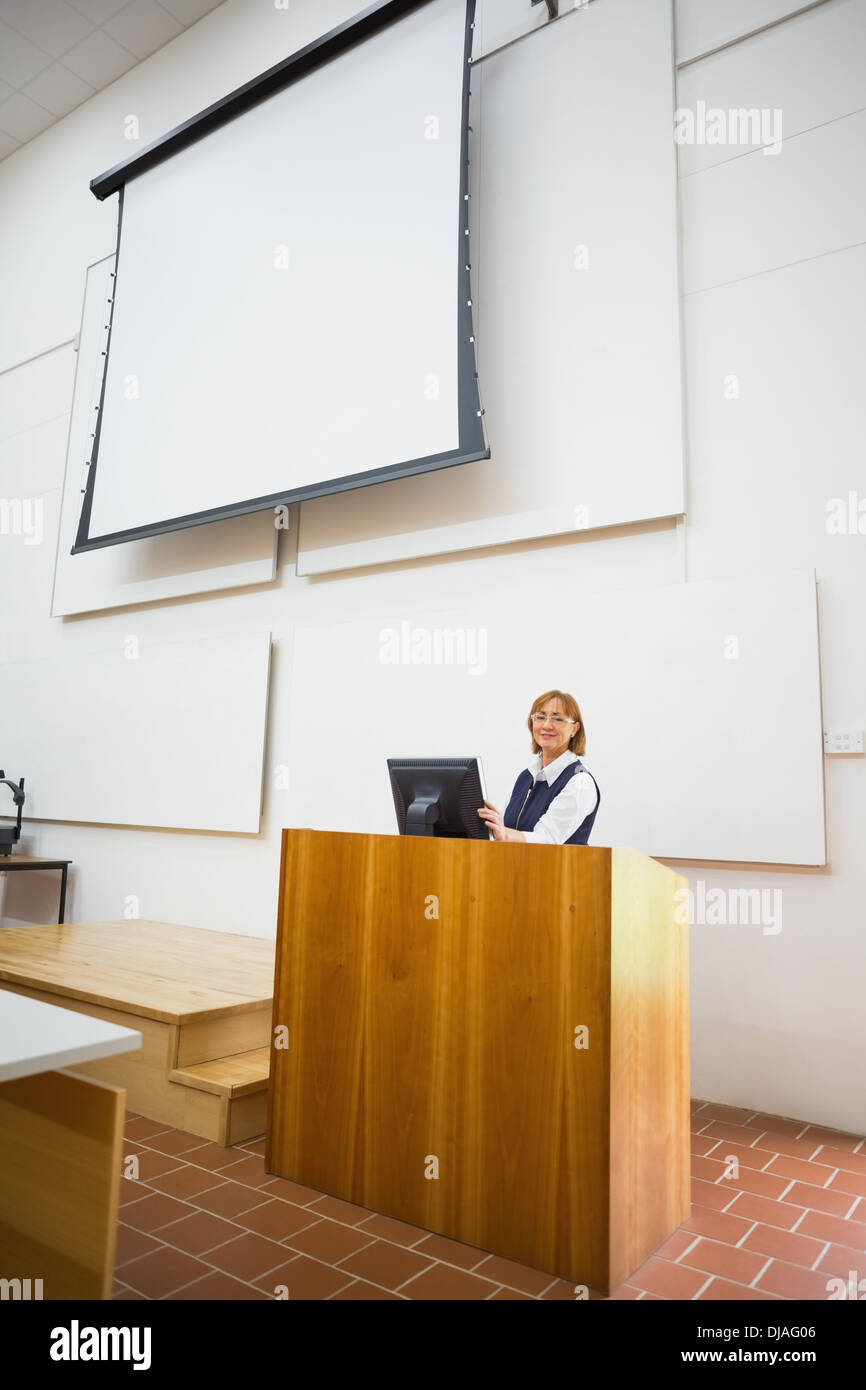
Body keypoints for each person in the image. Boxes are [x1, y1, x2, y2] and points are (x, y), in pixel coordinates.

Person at [477, 689, 600, 844]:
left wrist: (505, 834)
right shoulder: (525, 777)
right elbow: (501, 828)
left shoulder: (579, 782)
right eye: (540, 717)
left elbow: (547, 839)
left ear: (574, 729)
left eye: (557, 719)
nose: (547, 725)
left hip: (559, 868)